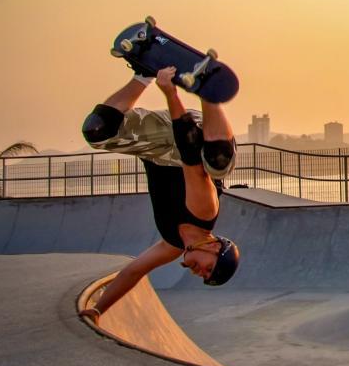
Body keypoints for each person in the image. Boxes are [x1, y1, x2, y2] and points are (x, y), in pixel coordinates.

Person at [78, 67, 240, 321]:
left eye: (202, 277)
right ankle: (209, 90)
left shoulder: (171, 245)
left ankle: (142, 74)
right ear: (215, 245)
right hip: (190, 137)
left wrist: (98, 310)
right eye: (208, 268)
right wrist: (171, 94)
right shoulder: (205, 211)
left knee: (98, 132)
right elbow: (188, 153)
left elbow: (133, 272)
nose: (199, 272)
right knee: (218, 162)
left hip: (159, 152)